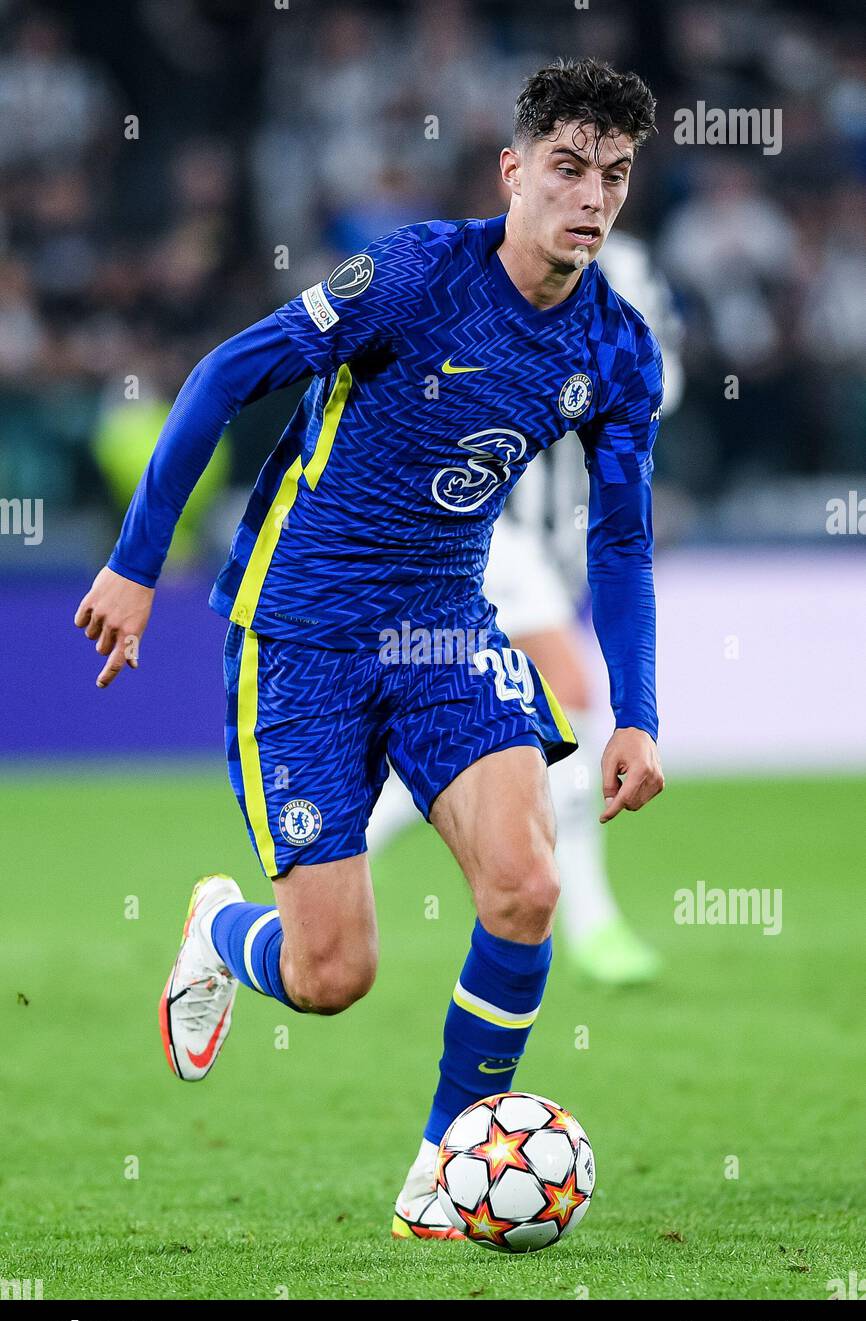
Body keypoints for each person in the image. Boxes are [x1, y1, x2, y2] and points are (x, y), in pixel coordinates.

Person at [74, 57, 665, 1240]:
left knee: (527, 886)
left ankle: (440, 1169)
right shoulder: (413, 276)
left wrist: (638, 711)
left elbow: (620, 541)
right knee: (330, 977)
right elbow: (223, 374)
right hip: (304, 631)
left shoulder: (614, 349)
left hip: (446, 631)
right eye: (565, 167)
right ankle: (219, 931)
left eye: (612, 174)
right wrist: (136, 563)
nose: (590, 196)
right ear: (512, 172)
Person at [368, 230, 683, 986]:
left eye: (608, 178)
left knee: (484, 730)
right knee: (572, 698)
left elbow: (657, 385)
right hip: (494, 536)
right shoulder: (500, 272)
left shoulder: (627, 286)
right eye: (572, 176)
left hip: (553, 543)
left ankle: (331, 858)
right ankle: (594, 924)